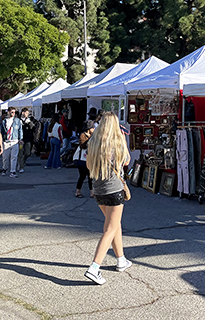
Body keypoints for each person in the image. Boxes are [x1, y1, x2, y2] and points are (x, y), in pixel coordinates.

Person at [84, 112, 131, 285]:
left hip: (98, 188)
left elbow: (89, 165)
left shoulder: (94, 142)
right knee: (110, 229)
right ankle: (94, 267)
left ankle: (121, 259)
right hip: (114, 189)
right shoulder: (118, 141)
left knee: (114, 224)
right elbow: (126, 161)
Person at [1, 107, 23, 177]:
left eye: (14, 112)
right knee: (5, 157)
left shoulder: (17, 120)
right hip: (6, 141)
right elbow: (1, 131)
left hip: (15, 140)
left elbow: (20, 130)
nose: (13, 114)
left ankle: (13, 171)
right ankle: (4, 168)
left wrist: (20, 139)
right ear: (8, 112)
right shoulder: (4, 121)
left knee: (14, 157)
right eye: (12, 112)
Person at [75, 120, 94, 198]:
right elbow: (83, 146)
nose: (94, 129)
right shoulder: (83, 135)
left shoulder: (91, 136)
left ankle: (92, 192)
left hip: (89, 159)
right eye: (93, 128)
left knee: (91, 177)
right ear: (89, 128)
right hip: (83, 159)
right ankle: (78, 191)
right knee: (82, 176)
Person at [19, 108, 35, 173]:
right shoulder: (18, 120)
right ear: (23, 112)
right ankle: (21, 166)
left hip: (28, 139)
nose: (27, 114)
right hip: (21, 139)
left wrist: (29, 123)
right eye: (26, 113)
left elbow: (33, 128)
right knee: (20, 153)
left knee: (27, 153)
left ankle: (23, 161)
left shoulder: (29, 120)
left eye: (28, 113)